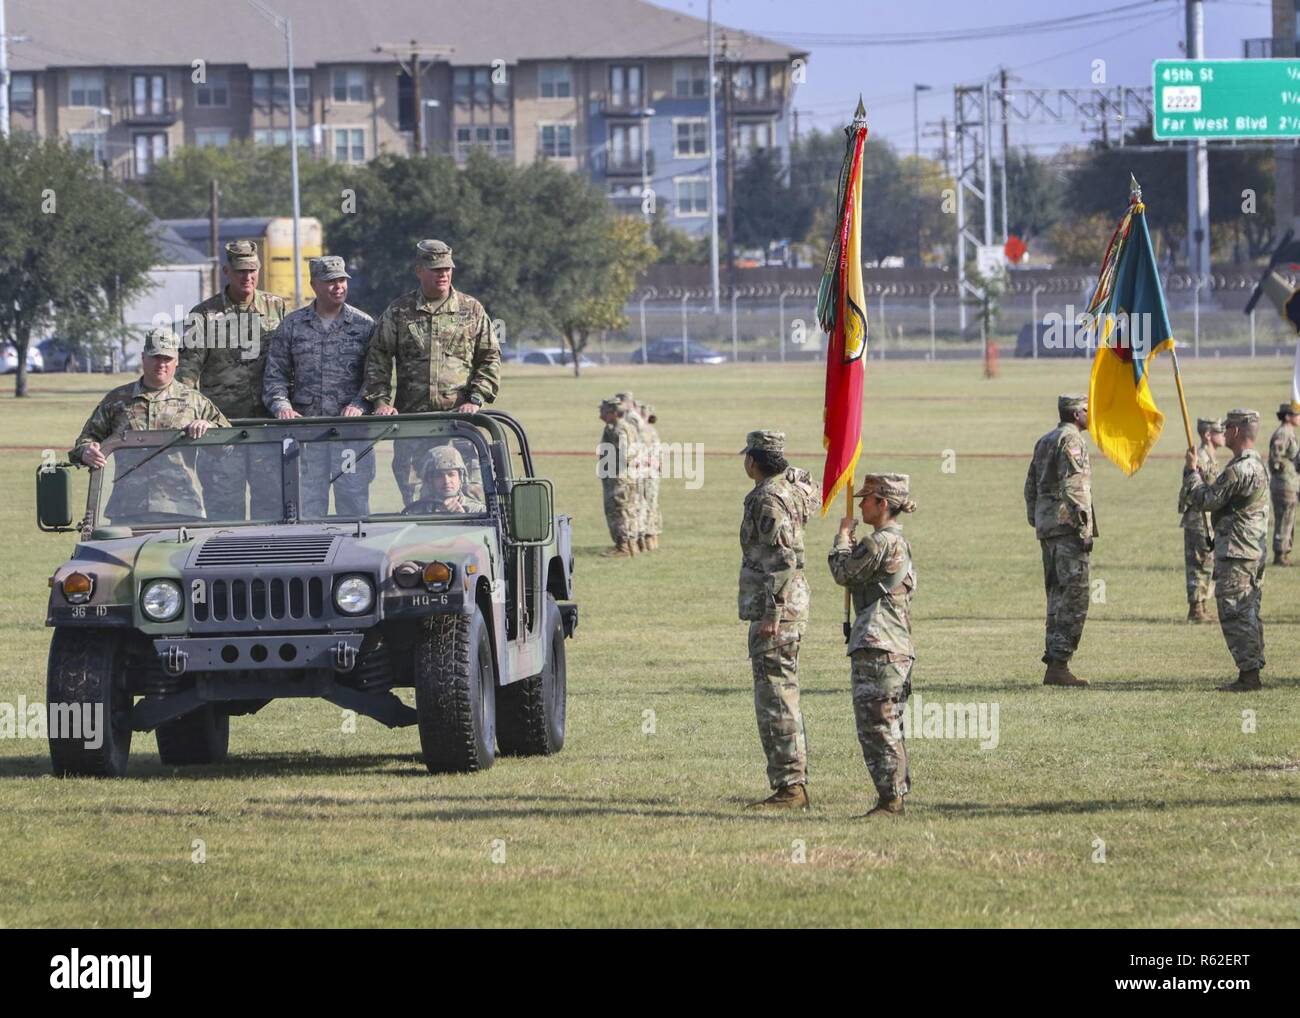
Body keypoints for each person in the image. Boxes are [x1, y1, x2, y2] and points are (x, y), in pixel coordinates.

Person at [362, 239, 500, 505]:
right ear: (419, 270)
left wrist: (475, 399)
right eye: (436, 269)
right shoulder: (400, 311)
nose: (443, 274)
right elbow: (378, 356)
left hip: (461, 425)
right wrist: (380, 401)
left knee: (471, 499)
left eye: (447, 269)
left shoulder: (471, 309)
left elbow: (490, 357)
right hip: (414, 426)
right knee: (416, 502)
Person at [738, 430, 820, 811]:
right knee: (782, 691)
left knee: (776, 696)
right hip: (792, 604)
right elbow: (811, 485)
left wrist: (771, 610)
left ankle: (790, 787)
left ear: (754, 461)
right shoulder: (794, 485)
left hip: (778, 611)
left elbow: (783, 557)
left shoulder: (767, 498)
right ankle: (792, 781)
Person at [70, 328, 228, 522]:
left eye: (167, 359)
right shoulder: (117, 400)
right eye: (155, 357)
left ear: (176, 361)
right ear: (143, 357)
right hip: (127, 510)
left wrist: (209, 428)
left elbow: (230, 443)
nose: (161, 364)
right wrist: (87, 451)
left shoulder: (195, 402)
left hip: (182, 510)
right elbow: (85, 440)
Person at [829, 473, 918, 818]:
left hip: (878, 646)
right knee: (889, 724)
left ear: (883, 503)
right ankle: (893, 797)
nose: (860, 503)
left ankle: (890, 800)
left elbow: (842, 572)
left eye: (866, 498)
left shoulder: (879, 542)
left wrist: (842, 537)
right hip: (895, 646)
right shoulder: (898, 542)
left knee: (877, 726)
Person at [179, 239, 286, 520]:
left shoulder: (276, 307)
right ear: (226, 271)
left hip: (266, 428)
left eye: (252, 270)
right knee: (224, 513)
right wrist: (189, 416)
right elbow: (187, 374)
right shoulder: (203, 315)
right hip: (221, 430)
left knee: (272, 509)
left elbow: (289, 362)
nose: (247, 277)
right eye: (240, 271)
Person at [263, 255, 376, 517]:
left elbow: (376, 377)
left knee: (354, 509)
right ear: (314, 284)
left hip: (350, 437)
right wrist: (282, 406)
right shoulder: (292, 325)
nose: (338, 286)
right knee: (307, 509)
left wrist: (360, 404)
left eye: (341, 280)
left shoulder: (364, 326)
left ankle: (355, 558)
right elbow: (275, 375)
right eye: (330, 281)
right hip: (307, 436)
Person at [1182, 408, 1270, 692]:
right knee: (1249, 608)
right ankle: (1252, 667)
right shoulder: (1257, 463)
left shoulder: (1238, 469)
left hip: (1237, 551)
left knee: (1235, 611)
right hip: (1253, 549)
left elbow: (1205, 499)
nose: (1223, 430)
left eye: (1227, 426)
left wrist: (1191, 471)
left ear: (1235, 431)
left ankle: (1249, 675)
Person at [1024, 394, 1096, 687]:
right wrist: (1084, 528)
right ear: (1077, 414)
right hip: (1067, 528)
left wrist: (1037, 517)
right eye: (1088, 411)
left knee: (1056, 595)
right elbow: (1075, 488)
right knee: (1074, 596)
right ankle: (1059, 664)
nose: (1091, 415)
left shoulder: (1045, 440)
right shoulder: (1072, 441)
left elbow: (1030, 486)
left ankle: (1055, 663)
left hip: (1049, 528)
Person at [1180, 417, 1225, 622]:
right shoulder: (1199, 459)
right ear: (1208, 435)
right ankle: (1196, 608)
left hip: (1208, 518)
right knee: (1199, 563)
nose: (1223, 434)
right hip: (1198, 519)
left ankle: (1203, 604)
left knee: (1208, 562)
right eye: (1219, 431)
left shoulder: (1209, 457)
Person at [598, 398, 638, 557]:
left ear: (614, 413)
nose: (601, 415)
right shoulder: (621, 427)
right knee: (625, 510)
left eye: (604, 411)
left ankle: (623, 547)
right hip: (620, 476)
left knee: (618, 511)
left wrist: (615, 469)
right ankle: (629, 545)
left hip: (618, 478)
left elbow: (625, 454)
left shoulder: (619, 429)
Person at [404, 446, 486, 514]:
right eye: (439, 475)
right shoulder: (416, 512)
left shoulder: (479, 512)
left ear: (460, 478)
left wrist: (463, 519)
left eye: (451, 474)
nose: (446, 481)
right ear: (430, 480)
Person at [1266, 402, 1299, 566]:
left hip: (1291, 483)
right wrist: (1286, 469)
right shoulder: (1283, 433)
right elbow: (1275, 460)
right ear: (1287, 417)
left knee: (1289, 519)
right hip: (1284, 484)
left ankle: (1284, 552)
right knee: (1284, 519)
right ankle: (1280, 554)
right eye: (1296, 415)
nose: (1299, 418)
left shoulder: (1290, 432)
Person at [616, 391, 649, 551]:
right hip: (639, 463)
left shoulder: (630, 419)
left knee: (633, 506)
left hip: (635, 465)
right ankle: (641, 542)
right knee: (637, 505)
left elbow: (637, 442)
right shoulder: (632, 418)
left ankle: (633, 542)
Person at [637, 401, 662, 552]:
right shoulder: (651, 430)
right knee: (651, 505)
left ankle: (649, 538)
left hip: (647, 473)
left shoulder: (645, 430)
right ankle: (651, 539)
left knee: (647, 505)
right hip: (650, 472)